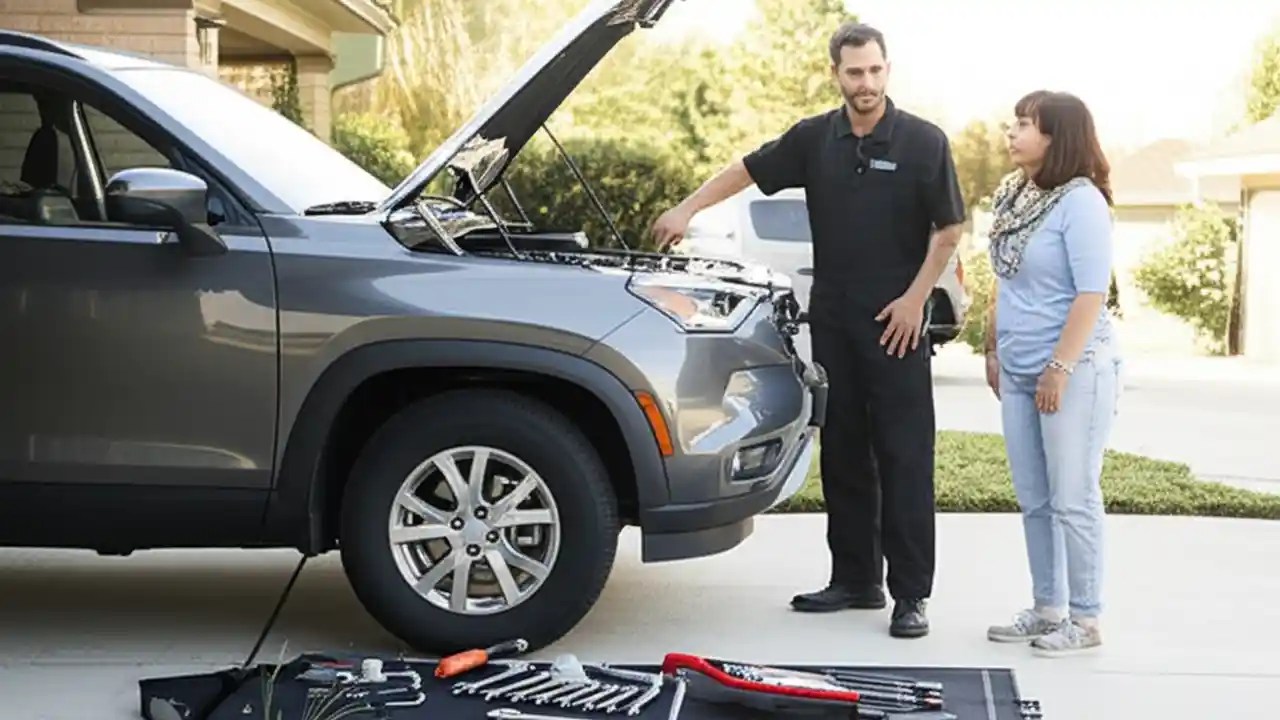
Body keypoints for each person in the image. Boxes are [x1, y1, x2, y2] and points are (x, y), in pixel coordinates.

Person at [651, 22, 966, 639]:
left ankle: (911, 595)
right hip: (835, 319)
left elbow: (949, 230)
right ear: (836, 75)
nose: (866, 83)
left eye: (875, 71)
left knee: (903, 458)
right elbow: (745, 170)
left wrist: (915, 300)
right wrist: (687, 208)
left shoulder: (925, 142)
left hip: (897, 325)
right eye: (855, 73)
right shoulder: (814, 140)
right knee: (844, 450)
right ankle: (855, 579)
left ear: (887, 70)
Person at [982, 90, 1122, 656]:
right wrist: (991, 347)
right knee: (1034, 498)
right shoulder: (1015, 196)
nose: (1011, 133)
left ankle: (1085, 620)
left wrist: (1058, 368)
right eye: (1012, 122)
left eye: (1024, 125)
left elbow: (1092, 293)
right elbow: (1004, 275)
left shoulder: (1081, 203)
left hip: (1073, 368)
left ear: (1055, 137)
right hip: (1017, 367)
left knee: (1073, 496)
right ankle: (1047, 609)